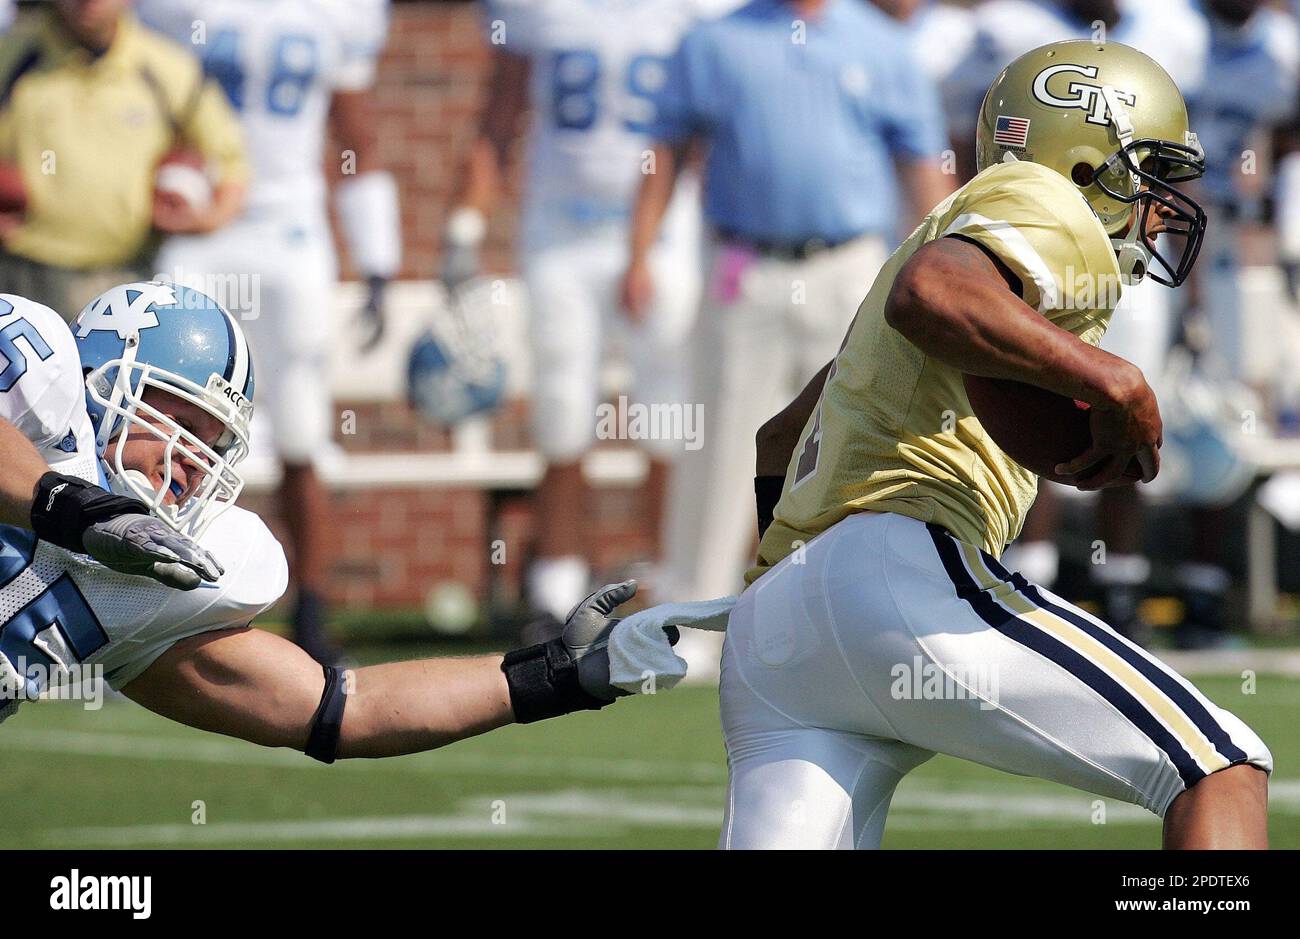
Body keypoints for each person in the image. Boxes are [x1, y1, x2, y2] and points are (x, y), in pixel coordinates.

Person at [612, 40, 1271, 849]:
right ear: (1090, 156)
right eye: (1152, 170)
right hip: (896, 572)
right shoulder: (1044, 201)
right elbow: (932, 292)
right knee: (1219, 765)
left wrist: (798, 594)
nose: (1164, 205)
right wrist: (1113, 379)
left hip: (777, 635)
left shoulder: (932, 240)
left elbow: (778, 437)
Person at [0, 282, 663, 757]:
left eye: (214, 443)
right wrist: (77, 511)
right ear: (101, 381)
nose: (191, 462)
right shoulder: (41, 388)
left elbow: (345, 708)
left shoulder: (145, 582)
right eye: (181, 419)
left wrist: (552, 675)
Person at [622, 0, 952, 674]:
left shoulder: (883, 44)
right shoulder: (714, 42)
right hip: (747, 267)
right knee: (720, 450)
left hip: (852, 270)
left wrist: (952, 265)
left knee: (864, 445)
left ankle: (859, 628)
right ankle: (693, 633)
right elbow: (667, 151)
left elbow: (922, 165)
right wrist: (638, 253)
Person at [442, 0, 734, 632]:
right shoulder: (542, 13)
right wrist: (465, 224)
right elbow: (500, 115)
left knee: (668, 418)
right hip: (560, 235)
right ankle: (557, 588)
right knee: (561, 416)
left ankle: (664, 579)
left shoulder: (696, 16)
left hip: (664, 236)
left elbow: (714, 126)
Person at [135, 0, 403, 663]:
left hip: (289, 229)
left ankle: (311, 610)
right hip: (201, 229)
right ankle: (152, 598)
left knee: (304, 428)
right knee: (163, 421)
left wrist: (377, 257)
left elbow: (354, 133)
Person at [0, 0, 247, 320]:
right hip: (24, 277)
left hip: (128, 279)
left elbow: (231, 162)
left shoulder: (167, 67)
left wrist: (205, 217)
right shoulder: (12, 58)